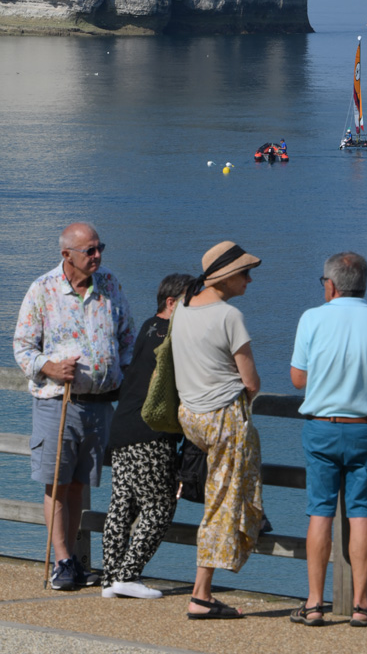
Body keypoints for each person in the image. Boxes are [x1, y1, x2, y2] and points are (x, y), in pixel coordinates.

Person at [13, 223, 135, 591]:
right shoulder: (43, 289)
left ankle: (75, 562)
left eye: (100, 248)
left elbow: (127, 334)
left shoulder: (110, 284)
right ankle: (63, 560)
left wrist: (123, 369)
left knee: (81, 483)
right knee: (56, 483)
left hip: (100, 404)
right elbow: (22, 346)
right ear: (67, 255)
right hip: (58, 402)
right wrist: (48, 366)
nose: (97, 256)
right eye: (90, 251)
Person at [290, 252, 367, 627]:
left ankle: (313, 604)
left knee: (319, 512)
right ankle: (360, 605)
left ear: (331, 284)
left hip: (322, 426)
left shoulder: (311, 318)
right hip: (365, 428)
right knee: (361, 513)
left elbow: (298, 379)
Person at [171, 241, 265, 619]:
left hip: (191, 416)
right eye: (245, 273)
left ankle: (203, 590)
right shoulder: (230, 316)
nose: (250, 279)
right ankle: (201, 594)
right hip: (224, 417)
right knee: (221, 504)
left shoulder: (182, 308)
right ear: (227, 277)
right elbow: (251, 381)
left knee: (220, 497)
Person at [101, 272, 196, 599]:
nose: (198, 307)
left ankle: (110, 579)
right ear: (172, 303)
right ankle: (128, 575)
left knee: (122, 506)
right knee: (159, 506)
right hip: (149, 433)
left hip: (122, 427)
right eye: (191, 301)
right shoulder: (173, 334)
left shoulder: (147, 326)